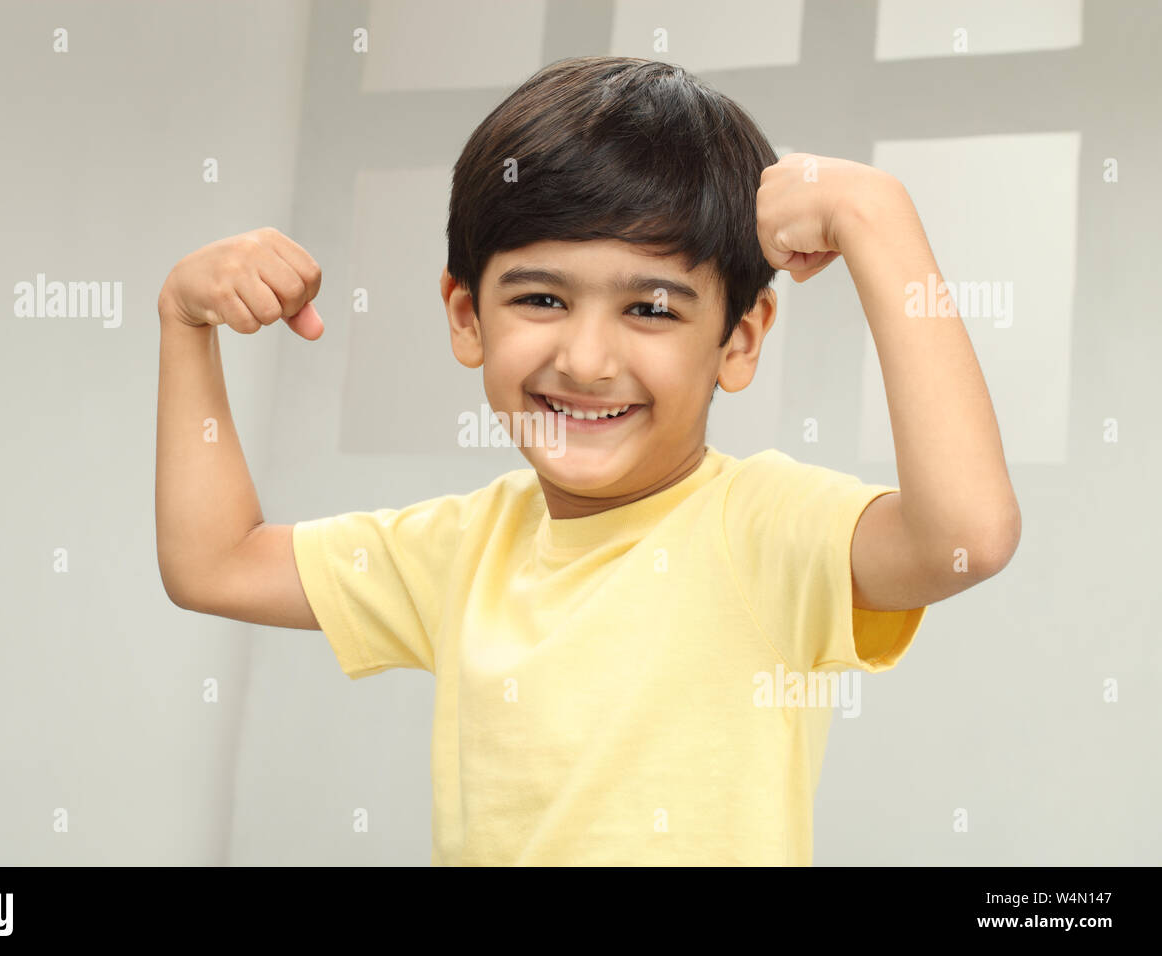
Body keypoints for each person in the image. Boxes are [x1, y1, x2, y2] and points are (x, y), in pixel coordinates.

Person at [154, 56, 1021, 865]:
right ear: (466, 316)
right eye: (541, 298)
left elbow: (968, 536)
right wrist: (186, 328)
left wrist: (877, 220)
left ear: (740, 339)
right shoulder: (464, 549)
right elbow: (214, 562)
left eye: (650, 309)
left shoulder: (765, 529)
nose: (586, 359)